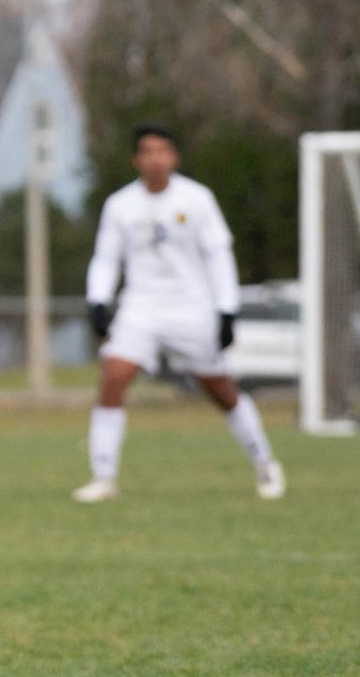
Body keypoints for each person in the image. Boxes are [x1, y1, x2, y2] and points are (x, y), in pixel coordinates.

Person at [72, 125, 284, 502]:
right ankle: (103, 476)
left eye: (163, 151)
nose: (156, 159)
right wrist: (98, 300)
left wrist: (227, 311)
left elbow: (218, 256)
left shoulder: (197, 199)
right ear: (137, 160)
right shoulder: (120, 205)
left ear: (174, 157)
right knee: (113, 379)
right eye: (148, 152)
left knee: (221, 391)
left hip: (191, 308)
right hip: (141, 308)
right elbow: (106, 258)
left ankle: (264, 462)